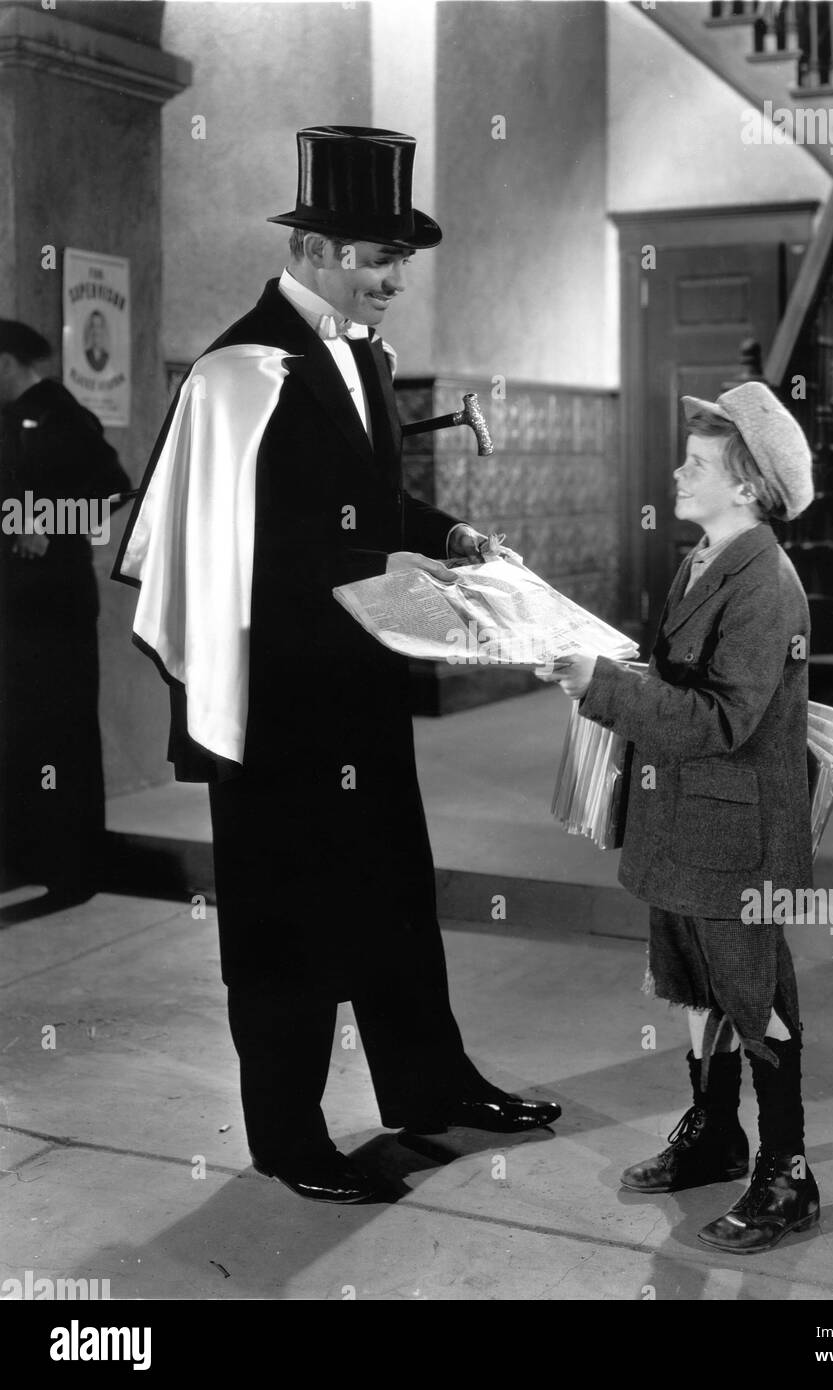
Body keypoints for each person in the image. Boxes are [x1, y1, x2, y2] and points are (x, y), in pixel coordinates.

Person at [113, 126, 560, 1205]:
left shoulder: (360, 355)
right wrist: (384, 562)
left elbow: (359, 504)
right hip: (276, 708)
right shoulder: (239, 372)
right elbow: (231, 557)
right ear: (312, 248)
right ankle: (286, 1135)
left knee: (393, 894)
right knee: (284, 925)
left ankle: (429, 1084)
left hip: (360, 691)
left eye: (401, 258)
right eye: (377, 258)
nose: (395, 280)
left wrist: (449, 539)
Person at [539, 382, 819, 1253]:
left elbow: (724, 721)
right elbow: (682, 687)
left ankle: (788, 1171)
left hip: (735, 836)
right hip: (684, 822)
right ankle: (715, 1134)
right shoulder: (704, 558)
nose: (678, 471)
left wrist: (607, 689)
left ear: (745, 485)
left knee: (751, 992)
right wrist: (613, 671)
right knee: (697, 986)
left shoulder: (765, 582)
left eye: (696, 464)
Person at [0, 319, 129, 909]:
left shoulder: (61, 414)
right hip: (13, 602)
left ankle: (70, 868)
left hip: (52, 604)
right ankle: (23, 856)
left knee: (58, 731)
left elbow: (115, 489)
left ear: (8, 361)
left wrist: (46, 522)